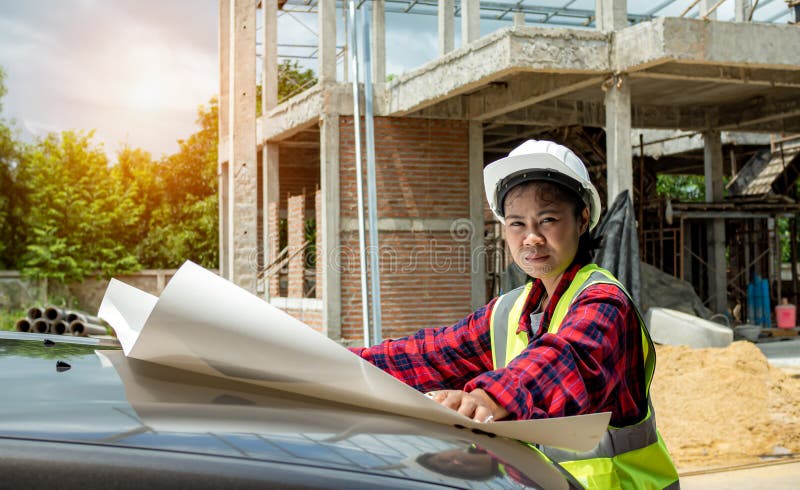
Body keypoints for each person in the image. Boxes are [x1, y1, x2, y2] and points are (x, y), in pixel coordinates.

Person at [350, 140, 679, 489]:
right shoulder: (509, 311)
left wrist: (485, 399)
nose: (532, 238)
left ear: (582, 219)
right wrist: (333, 361)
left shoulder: (604, 302)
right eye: (517, 224)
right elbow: (431, 355)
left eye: (548, 220)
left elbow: (567, 360)